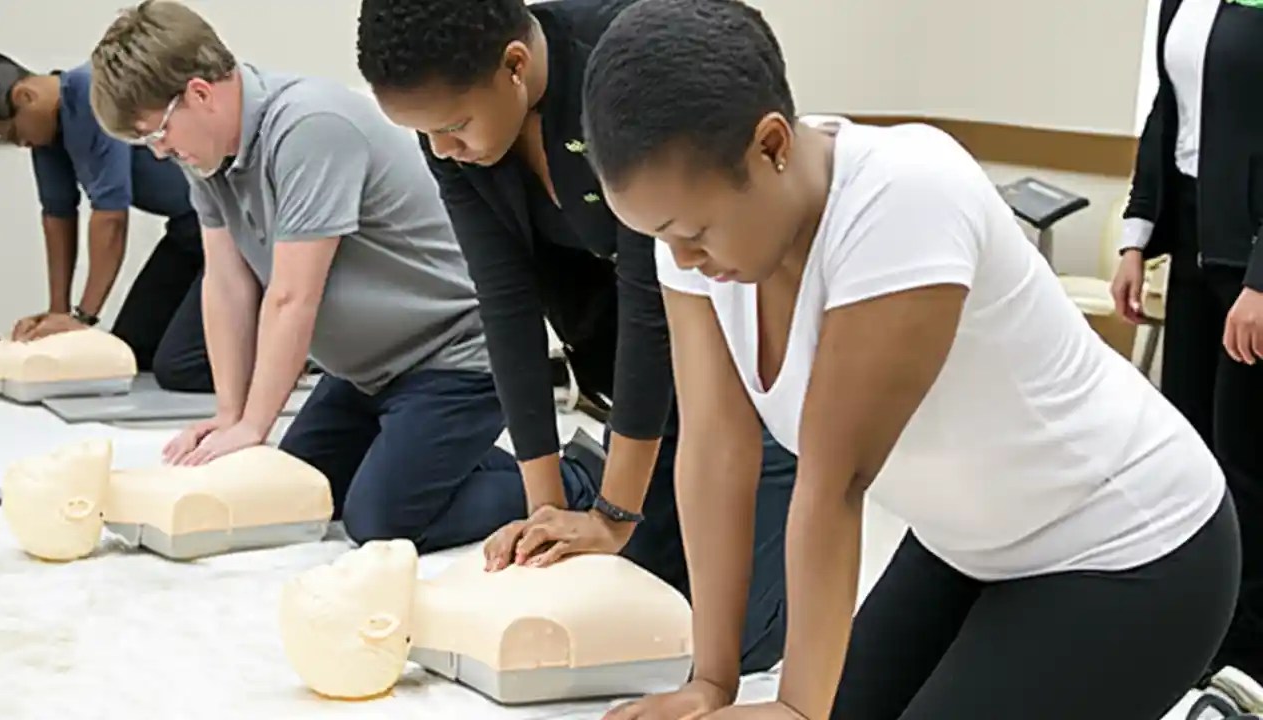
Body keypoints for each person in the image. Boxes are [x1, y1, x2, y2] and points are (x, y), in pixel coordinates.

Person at [581, 1, 1241, 718]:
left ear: (771, 146)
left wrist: (798, 711)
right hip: (969, 545)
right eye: (658, 234)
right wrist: (711, 683)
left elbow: (835, 482)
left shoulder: (904, 198)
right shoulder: (692, 236)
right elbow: (715, 447)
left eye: (693, 232)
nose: (680, 259)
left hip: (1130, 546)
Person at [355, 0, 795, 673]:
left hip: (734, 375)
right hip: (633, 384)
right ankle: (593, 473)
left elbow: (653, 300)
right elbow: (505, 306)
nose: (443, 150)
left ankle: (633, 478)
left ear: (515, 65)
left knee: (733, 643)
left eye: (453, 128)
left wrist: (616, 512)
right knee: (636, 618)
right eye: (429, 136)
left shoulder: (620, 73)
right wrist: (546, 515)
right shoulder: (456, 131)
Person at [85, 0, 598, 552]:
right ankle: (439, 460)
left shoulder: (307, 127)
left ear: (199, 94)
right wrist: (230, 417)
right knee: (307, 491)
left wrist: (256, 429)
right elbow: (226, 283)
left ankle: (576, 478)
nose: (159, 151)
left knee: (380, 521)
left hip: (452, 360)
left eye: (155, 132)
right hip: (365, 375)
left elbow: (292, 296)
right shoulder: (207, 162)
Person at [1112, 0, 1263, 706]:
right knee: (1190, 454)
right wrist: (1136, 236)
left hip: (1252, 260)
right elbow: (1165, 116)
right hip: (1198, 245)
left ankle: (1247, 657)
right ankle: (1195, 636)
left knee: (1247, 467)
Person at [0, 50, 212, 391]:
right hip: (186, 230)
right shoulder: (47, 135)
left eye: (11, 132)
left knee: (178, 369)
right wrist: (57, 315)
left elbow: (111, 218)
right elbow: (57, 218)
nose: (16, 143)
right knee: (134, 353)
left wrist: (83, 318)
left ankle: (286, 360)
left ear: (25, 97)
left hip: (226, 227)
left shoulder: (93, 93)